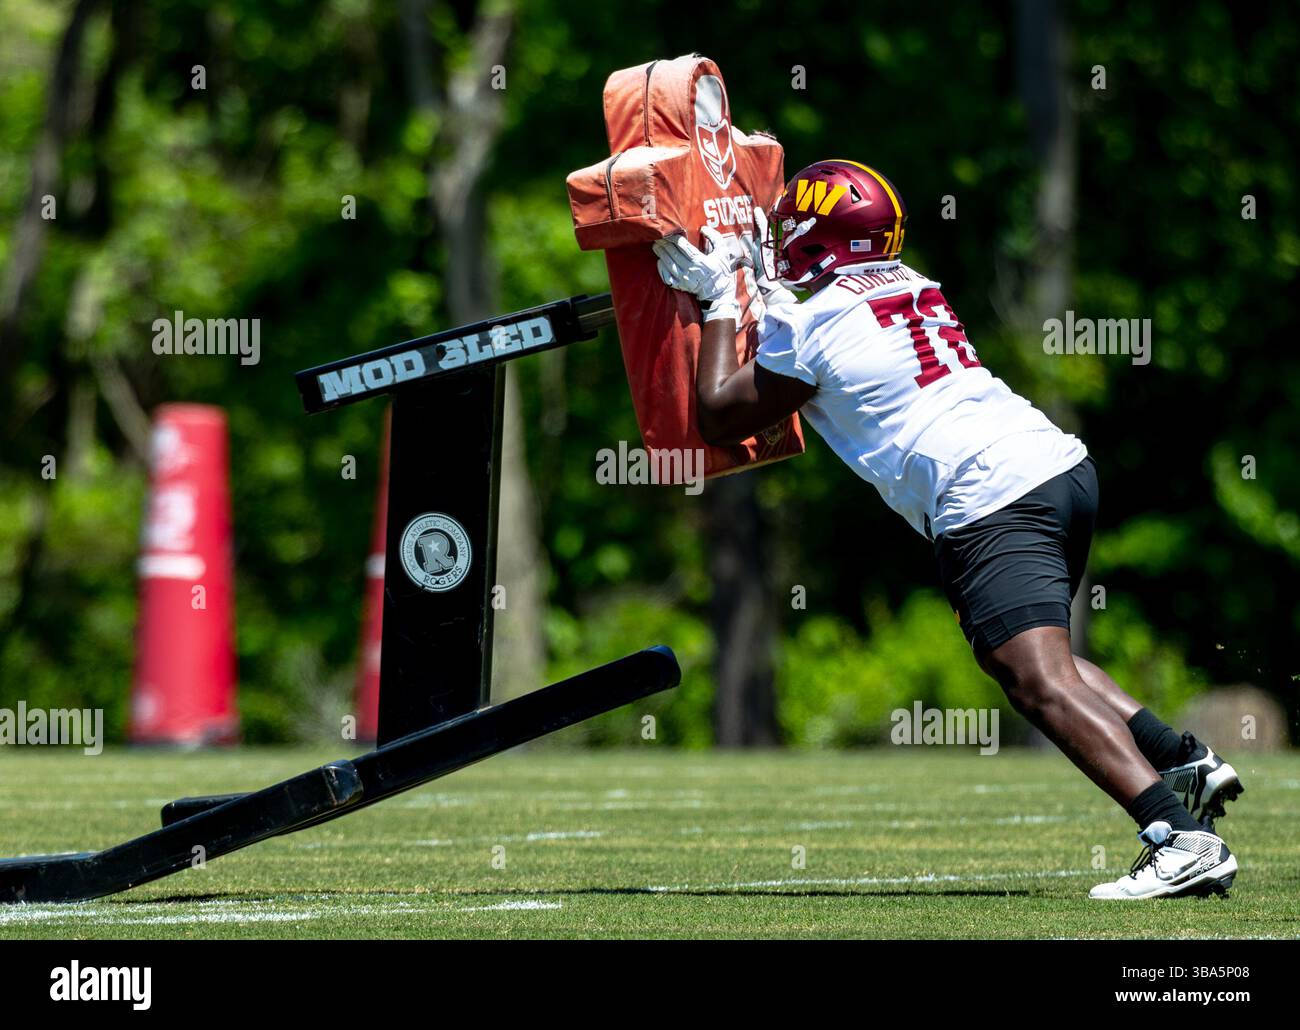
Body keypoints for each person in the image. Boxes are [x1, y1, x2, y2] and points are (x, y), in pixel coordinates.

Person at [652, 158, 1243, 899]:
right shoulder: (910, 282)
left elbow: (718, 413)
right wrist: (756, 290)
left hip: (989, 496)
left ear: (818, 234)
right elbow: (824, 329)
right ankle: (1180, 759)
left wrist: (716, 300)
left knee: (1037, 680)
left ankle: (1176, 836)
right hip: (1056, 469)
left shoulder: (818, 322)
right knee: (1026, 659)